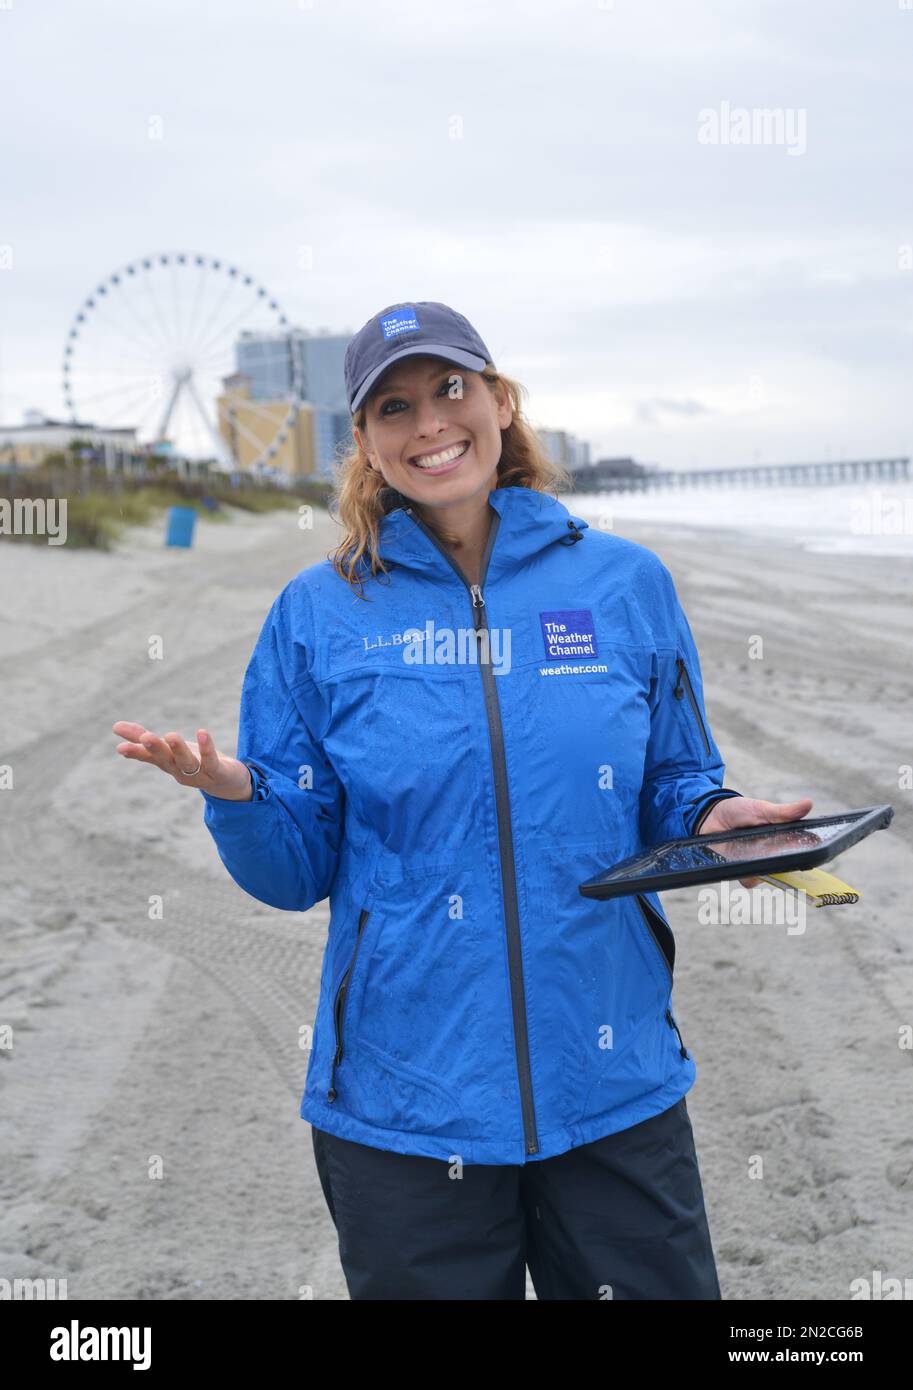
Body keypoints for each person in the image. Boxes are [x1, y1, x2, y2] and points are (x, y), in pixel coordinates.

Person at [112, 299, 813, 1300]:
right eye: (393, 406)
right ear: (362, 440)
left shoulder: (624, 584)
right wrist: (235, 795)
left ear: (499, 399)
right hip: (405, 1105)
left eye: (450, 388)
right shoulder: (319, 613)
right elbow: (293, 870)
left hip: (611, 1085)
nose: (430, 423)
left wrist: (712, 819)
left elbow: (671, 778)